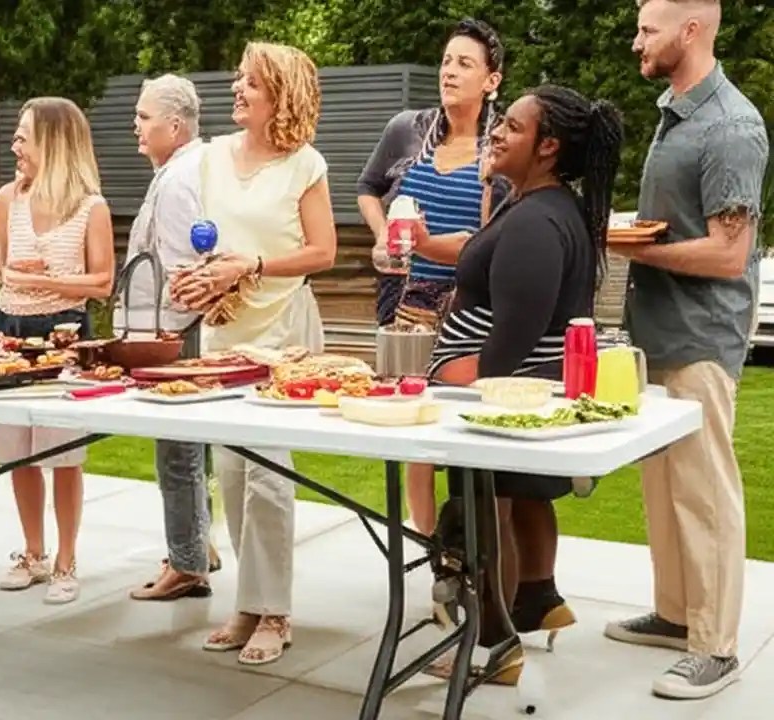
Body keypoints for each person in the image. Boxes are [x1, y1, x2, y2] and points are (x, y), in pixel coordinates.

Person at [422, 85, 624, 684]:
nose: (497, 131)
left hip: (495, 404)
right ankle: (537, 597)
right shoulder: (540, 205)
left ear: (549, 146)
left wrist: (452, 374)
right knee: (523, 495)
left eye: (512, 125)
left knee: (487, 509)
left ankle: (492, 643)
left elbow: (511, 344)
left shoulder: (538, 222)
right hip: (523, 395)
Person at [604, 0, 769, 700]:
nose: (637, 40)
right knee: (665, 486)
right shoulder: (677, 111)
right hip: (657, 331)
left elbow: (731, 254)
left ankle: (716, 646)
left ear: (691, 31)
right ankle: (676, 615)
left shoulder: (731, 126)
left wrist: (627, 244)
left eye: (649, 29)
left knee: (704, 492)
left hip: (701, 337)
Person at [170, 42, 336, 666]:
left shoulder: (305, 164)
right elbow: (208, 242)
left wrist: (255, 265)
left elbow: (321, 252)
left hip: (285, 329)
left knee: (268, 472)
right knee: (233, 472)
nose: (236, 89)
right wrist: (199, 277)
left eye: (250, 83)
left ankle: (276, 611)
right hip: (225, 325)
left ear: (280, 97)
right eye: (238, 79)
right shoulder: (210, 157)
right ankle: (248, 601)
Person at [356, 18, 510, 536]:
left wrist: (420, 242)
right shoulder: (408, 128)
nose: (450, 72)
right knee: (408, 418)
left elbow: (490, 241)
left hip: (469, 307)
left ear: (493, 80)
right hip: (404, 302)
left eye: (465, 64)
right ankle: (424, 542)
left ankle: (468, 543)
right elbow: (367, 186)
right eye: (447, 61)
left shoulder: (503, 145)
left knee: (465, 421)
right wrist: (383, 236)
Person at [0, 97, 114, 605]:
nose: (15, 145)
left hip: (65, 332)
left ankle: (66, 561)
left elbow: (103, 282)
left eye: (24, 136)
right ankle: (32, 553)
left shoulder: (90, 206)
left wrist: (52, 277)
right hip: (9, 328)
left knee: (62, 451)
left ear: (53, 141)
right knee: (17, 449)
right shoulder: (10, 196)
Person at [115, 74, 221, 602]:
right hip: (186, 328)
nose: (135, 125)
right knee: (192, 450)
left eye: (143, 116)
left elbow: (184, 270)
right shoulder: (186, 169)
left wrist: (162, 336)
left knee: (176, 451)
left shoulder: (180, 180)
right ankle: (200, 543)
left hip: (176, 332)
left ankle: (186, 563)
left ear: (174, 126)